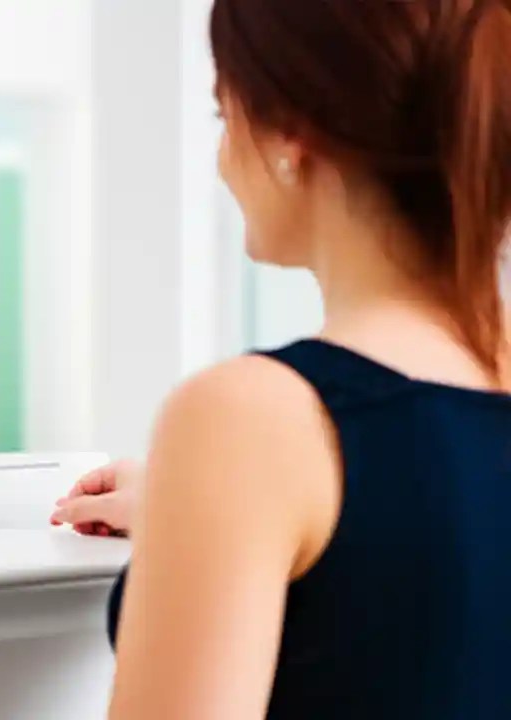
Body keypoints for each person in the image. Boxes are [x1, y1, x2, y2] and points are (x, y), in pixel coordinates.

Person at [53, 0, 511, 717]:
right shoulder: (274, 445)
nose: (223, 159)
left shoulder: (251, 420)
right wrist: (206, 516)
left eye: (221, 115)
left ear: (291, 130)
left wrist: (226, 480)